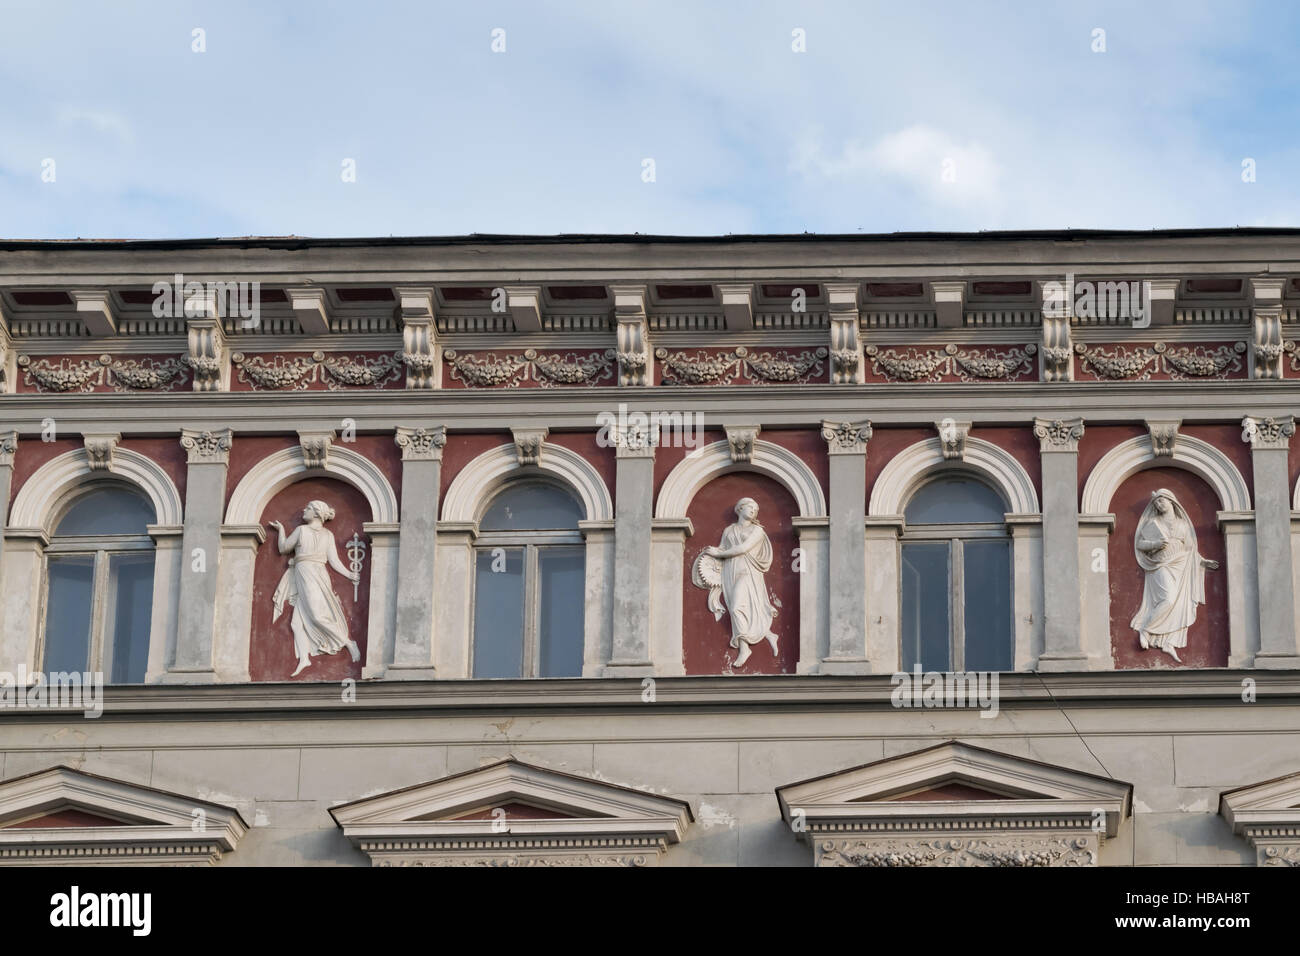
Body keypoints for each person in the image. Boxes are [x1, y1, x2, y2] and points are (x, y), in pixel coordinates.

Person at [268, 500, 361, 676]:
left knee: (318, 615)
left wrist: (349, 574)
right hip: (302, 573)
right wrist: (281, 530)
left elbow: (333, 561)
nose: (305, 509)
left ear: (317, 513)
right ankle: (304, 658)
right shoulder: (301, 530)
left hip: (315, 574)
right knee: (296, 624)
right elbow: (283, 548)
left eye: (309, 508)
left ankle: (348, 643)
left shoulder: (327, 535)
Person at [1130, 488, 1218, 662]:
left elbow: (1190, 550)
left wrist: (1203, 562)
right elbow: (1140, 543)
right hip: (1161, 564)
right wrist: (1155, 543)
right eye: (1156, 503)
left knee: (1179, 603)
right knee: (1169, 599)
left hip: (1181, 564)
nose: (1158, 504)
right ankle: (1145, 629)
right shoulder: (1153, 523)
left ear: (1171, 501)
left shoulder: (1182, 525)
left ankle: (1168, 641)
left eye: (1161, 501)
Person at [701, 497, 779, 667]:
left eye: (755, 510)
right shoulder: (729, 530)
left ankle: (744, 648)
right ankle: (768, 635)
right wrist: (709, 556)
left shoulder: (757, 530)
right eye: (750, 507)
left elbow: (743, 549)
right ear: (740, 509)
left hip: (748, 571)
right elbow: (722, 547)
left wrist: (719, 554)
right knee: (738, 607)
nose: (753, 511)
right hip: (730, 571)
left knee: (737, 606)